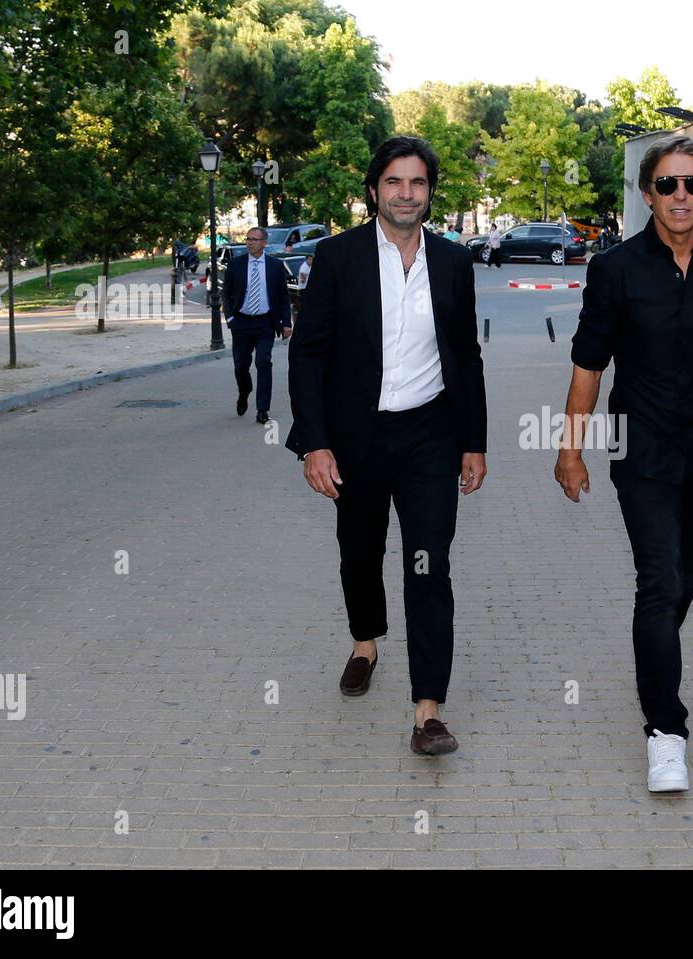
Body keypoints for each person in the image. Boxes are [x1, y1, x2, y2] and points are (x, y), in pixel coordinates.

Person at [555, 134, 693, 792]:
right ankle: (665, 728)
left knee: (680, 582)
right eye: (669, 184)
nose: (681, 196)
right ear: (648, 192)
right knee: (658, 581)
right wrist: (570, 449)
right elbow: (589, 365)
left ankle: (655, 658)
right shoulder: (616, 270)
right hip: (642, 450)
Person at [286, 136, 488, 757]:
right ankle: (365, 641)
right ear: (375, 189)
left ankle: (428, 710)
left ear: (430, 191)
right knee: (360, 551)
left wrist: (473, 442)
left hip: (429, 433)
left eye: (418, 183)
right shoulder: (339, 257)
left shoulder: (452, 263)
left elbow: (466, 356)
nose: (407, 193)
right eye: (395, 182)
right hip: (358, 437)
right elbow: (308, 353)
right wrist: (315, 444)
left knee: (429, 564)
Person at [222, 227, 292, 423]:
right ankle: (244, 391)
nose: (249, 242)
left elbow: (283, 296)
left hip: (265, 323)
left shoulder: (275, 266)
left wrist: (286, 323)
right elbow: (226, 294)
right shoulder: (236, 265)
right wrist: (230, 319)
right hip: (241, 323)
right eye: (248, 239)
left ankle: (262, 409)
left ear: (264, 243)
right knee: (240, 365)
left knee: (263, 363)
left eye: (254, 239)